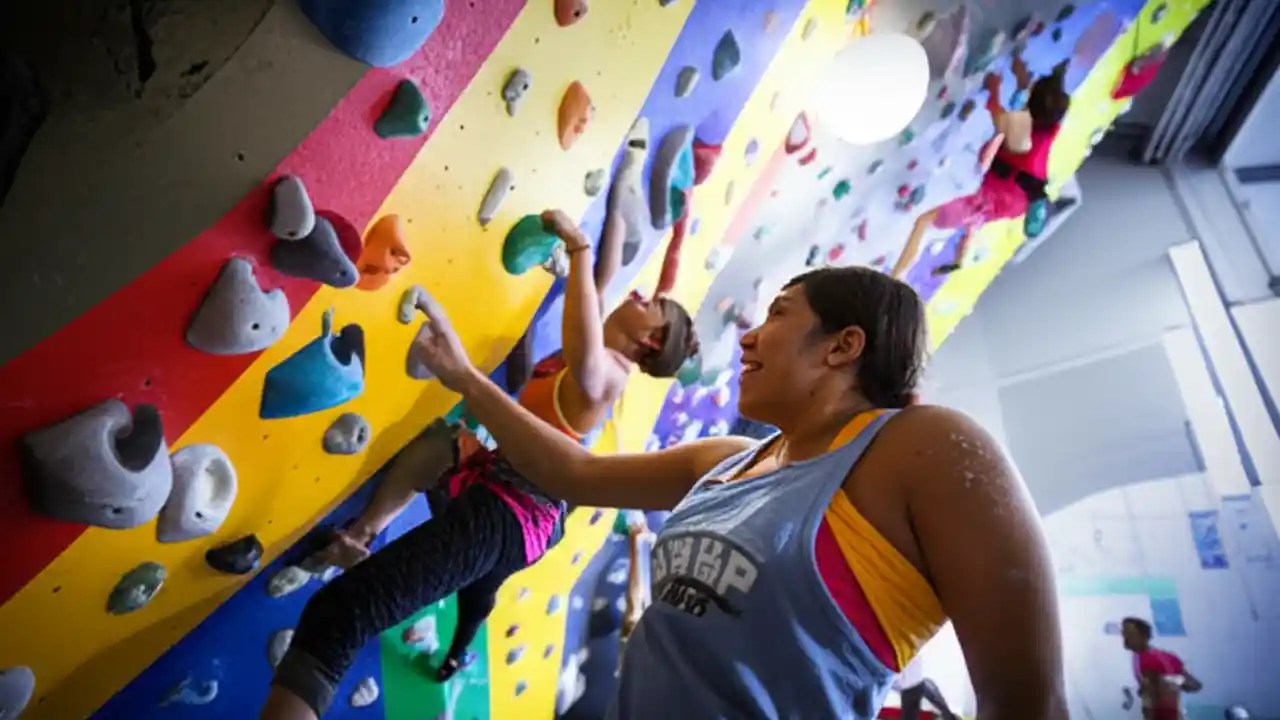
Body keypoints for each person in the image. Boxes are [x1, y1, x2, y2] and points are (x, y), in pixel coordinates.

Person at [401, 264, 1068, 718]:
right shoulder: (726, 463)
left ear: (842, 346)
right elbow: (574, 475)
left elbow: (1029, 709)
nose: (748, 336)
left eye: (779, 314)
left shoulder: (926, 448)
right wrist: (467, 381)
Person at [258, 204, 699, 720]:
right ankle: (361, 534)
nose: (639, 294)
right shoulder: (602, 341)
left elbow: (586, 355)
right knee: (437, 449)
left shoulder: (611, 375)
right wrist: (642, 198)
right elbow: (601, 282)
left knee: (448, 598)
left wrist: (577, 247)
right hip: (494, 478)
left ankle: (458, 649)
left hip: (514, 517)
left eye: (652, 306)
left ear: (648, 341)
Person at [892, 54, 1072, 279]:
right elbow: (1038, 99)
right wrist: (1020, 75)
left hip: (1005, 194)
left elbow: (997, 112)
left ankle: (895, 276)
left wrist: (994, 88)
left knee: (924, 220)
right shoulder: (1049, 125)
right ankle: (958, 261)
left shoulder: (1020, 134)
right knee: (976, 217)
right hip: (1017, 194)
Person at [1121, 617, 1202, 720]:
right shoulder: (1140, 657)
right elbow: (1192, 685)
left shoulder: (1150, 660)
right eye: (1124, 633)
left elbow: (1193, 685)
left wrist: (1163, 681)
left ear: (1144, 637)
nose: (1125, 637)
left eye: (1130, 634)